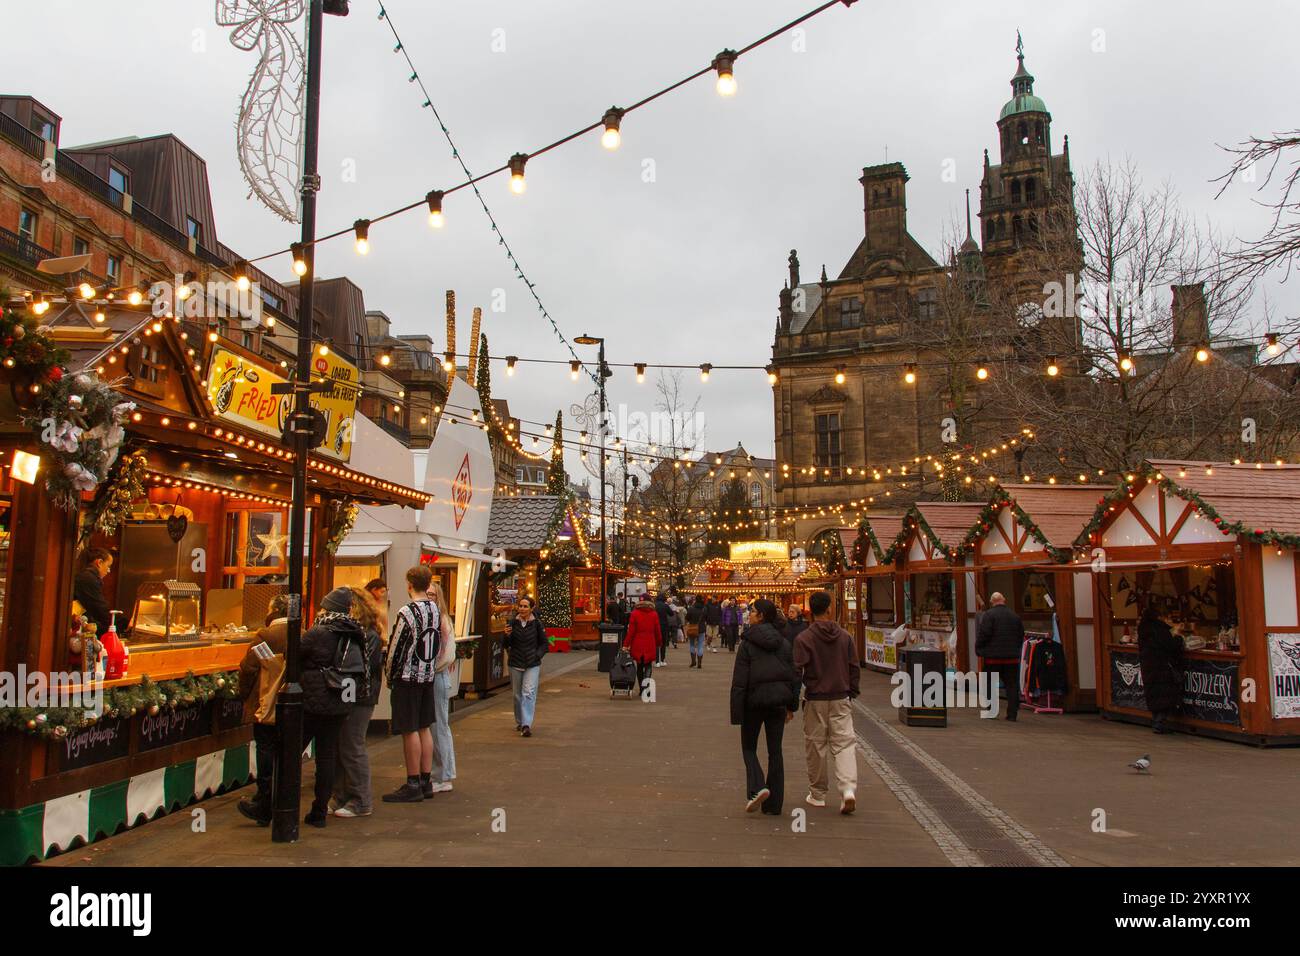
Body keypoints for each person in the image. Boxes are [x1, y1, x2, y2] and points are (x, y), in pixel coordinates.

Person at [299, 587, 369, 827]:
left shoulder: (319, 632)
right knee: (327, 756)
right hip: (340, 703)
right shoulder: (353, 631)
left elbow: (294, 654)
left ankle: (275, 804)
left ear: (328, 608)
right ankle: (319, 811)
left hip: (314, 703)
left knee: (289, 751)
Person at [730, 599, 800, 815]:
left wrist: (736, 711)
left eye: (752, 611)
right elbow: (794, 676)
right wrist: (791, 705)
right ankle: (774, 804)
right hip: (778, 702)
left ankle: (757, 787)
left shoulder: (748, 644)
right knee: (775, 751)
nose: (749, 614)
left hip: (753, 702)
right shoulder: (784, 643)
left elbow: (740, 680)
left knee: (749, 748)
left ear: (760, 616)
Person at [794, 590, 860, 814]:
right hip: (841, 696)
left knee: (816, 745)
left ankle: (818, 794)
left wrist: (791, 700)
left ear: (811, 610)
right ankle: (848, 788)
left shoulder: (804, 638)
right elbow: (854, 666)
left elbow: (797, 669)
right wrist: (852, 690)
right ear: (830, 608)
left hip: (815, 697)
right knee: (844, 744)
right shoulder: (844, 636)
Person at [383, 566, 443, 803]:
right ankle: (426, 780)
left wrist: (389, 674)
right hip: (427, 675)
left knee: (409, 730)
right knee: (424, 726)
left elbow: (397, 647)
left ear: (409, 584)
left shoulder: (408, 612)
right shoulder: (434, 609)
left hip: (408, 677)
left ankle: (412, 782)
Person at [329, 587, 385, 818]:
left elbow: (360, 668)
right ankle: (341, 796)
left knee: (352, 745)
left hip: (359, 697)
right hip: (351, 694)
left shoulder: (366, 635)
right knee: (343, 745)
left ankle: (361, 800)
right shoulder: (360, 632)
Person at [237, 594, 289, 826]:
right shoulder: (302, 634)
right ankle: (281, 798)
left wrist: (245, 696)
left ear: (274, 610)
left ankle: (264, 799)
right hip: (291, 705)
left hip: (266, 703)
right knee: (285, 750)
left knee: (265, 749)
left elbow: (249, 668)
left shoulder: (266, 635)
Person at [427, 580, 459, 791]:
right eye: (427, 594)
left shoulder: (441, 620)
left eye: (432, 595)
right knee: (435, 725)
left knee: (439, 725)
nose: (429, 598)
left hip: (436, 678)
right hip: (433, 677)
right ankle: (439, 773)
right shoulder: (435, 618)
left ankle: (443, 775)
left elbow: (446, 655)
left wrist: (432, 669)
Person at [975, 591, 1026, 721]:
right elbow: (1021, 635)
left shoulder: (989, 615)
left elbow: (984, 634)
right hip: (1011, 657)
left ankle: (992, 710)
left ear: (992, 602)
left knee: (989, 683)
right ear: (1004, 600)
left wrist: (979, 648)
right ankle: (1012, 713)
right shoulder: (1015, 616)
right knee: (1012, 685)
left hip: (993, 657)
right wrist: (1015, 649)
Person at [505, 595, 548, 737]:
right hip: (515, 663)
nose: (522, 609)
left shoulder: (537, 624)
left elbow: (544, 644)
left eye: (525, 606)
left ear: (531, 608)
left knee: (528, 693)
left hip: (532, 663)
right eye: (520, 606)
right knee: (517, 695)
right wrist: (506, 636)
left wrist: (537, 656)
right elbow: (505, 644)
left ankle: (526, 724)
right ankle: (519, 721)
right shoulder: (512, 623)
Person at [1138, 603, 1185, 734]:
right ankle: (1160, 722)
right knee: (1164, 694)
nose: (1169, 620)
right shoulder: (1160, 630)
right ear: (1160, 617)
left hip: (1149, 666)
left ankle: (1156, 720)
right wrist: (1177, 637)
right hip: (1162, 667)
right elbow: (1171, 646)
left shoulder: (1144, 629)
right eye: (1167, 617)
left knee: (1154, 693)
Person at [624, 593, 662, 696]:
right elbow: (657, 630)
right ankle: (646, 685)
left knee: (639, 666)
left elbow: (631, 631)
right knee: (648, 665)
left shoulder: (635, 613)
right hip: (650, 641)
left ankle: (641, 688)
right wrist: (659, 642)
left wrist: (625, 644)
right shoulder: (654, 614)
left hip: (637, 642)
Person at [73, 548, 114, 635]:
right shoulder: (88, 578)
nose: (108, 570)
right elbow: (99, 609)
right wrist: (117, 623)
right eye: (108, 566)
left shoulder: (87, 576)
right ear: (99, 562)